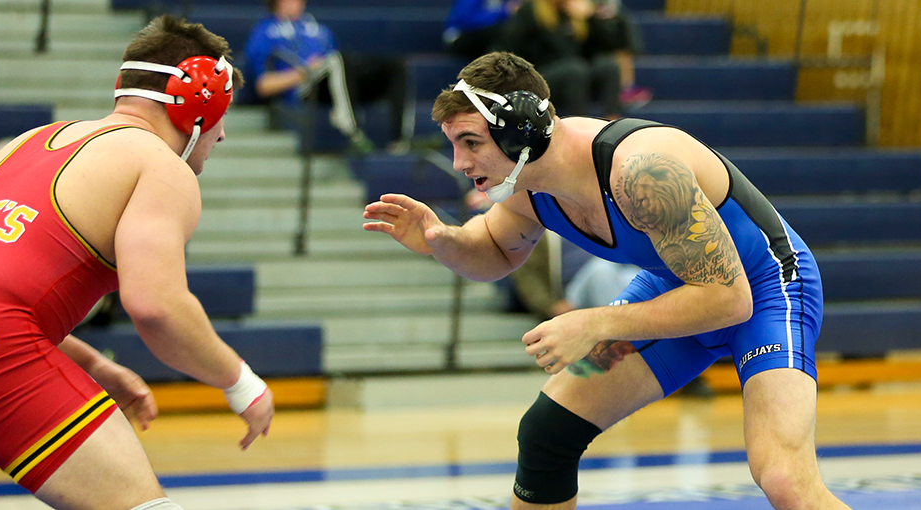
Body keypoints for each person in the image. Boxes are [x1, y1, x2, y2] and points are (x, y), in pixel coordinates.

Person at [363, 52, 850, 509]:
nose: (460, 163)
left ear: (521, 130)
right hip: (679, 288)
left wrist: (593, 323)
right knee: (548, 432)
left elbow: (730, 301)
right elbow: (492, 253)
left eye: (471, 143)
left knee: (784, 480)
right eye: (454, 145)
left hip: (766, 288)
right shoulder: (527, 185)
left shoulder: (641, 171)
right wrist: (441, 240)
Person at [0, 15, 274, 510]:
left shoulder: (24, 143)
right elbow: (155, 307)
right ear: (199, 103)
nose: (223, 133)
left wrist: (91, 363)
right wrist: (241, 384)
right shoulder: (158, 165)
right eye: (222, 113)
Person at [244, 0, 410, 154]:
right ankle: (350, 128)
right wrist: (305, 71)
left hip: (333, 80)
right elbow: (263, 85)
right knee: (335, 61)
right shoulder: (265, 31)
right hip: (304, 88)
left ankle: (401, 140)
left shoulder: (318, 29)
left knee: (395, 66)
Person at [493, 0, 623, 118]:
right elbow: (507, 48)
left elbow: (607, 46)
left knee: (608, 66)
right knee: (574, 70)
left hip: (577, 73)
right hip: (540, 76)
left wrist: (591, 18)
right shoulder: (531, 11)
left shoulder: (576, 12)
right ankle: (579, 124)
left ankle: (611, 121)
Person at [443, 0, 521, 61]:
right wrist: (504, 11)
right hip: (462, 36)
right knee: (502, 31)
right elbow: (466, 21)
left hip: (489, 38)